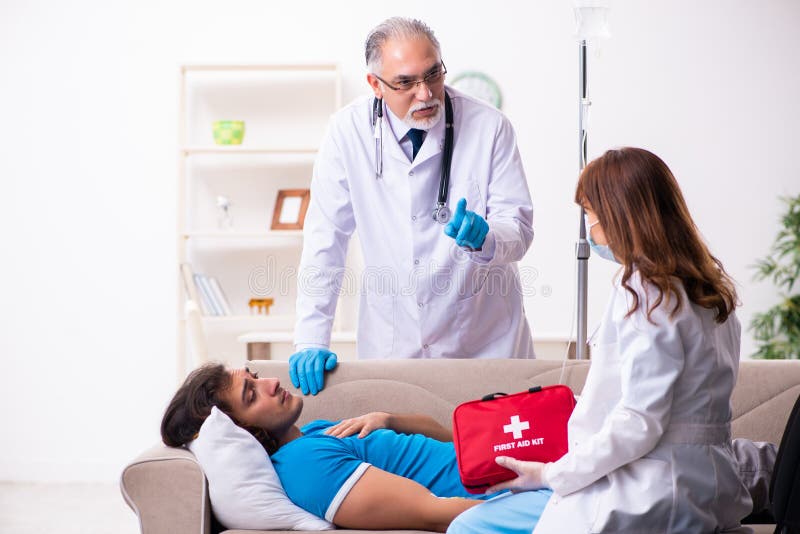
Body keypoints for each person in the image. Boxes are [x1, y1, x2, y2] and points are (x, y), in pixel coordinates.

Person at [447, 147, 766, 533]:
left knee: (469, 527)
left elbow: (639, 420)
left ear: (618, 216)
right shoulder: (709, 287)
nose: (590, 229)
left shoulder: (646, 288)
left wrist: (552, 474)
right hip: (709, 483)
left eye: (589, 215)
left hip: (653, 488)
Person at [289, 17, 535, 395]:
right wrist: (310, 338)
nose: (425, 93)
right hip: (394, 345)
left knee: (492, 452)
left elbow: (517, 229)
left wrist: (486, 238)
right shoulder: (346, 133)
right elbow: (326, 241)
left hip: (485, 345)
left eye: (433, 74)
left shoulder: (490, 127)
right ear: (375, 84)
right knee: (399, 450)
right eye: (406, 82)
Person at [161, 362, 494, 532]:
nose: (272, 382)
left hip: (501, 462)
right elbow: (433, 514)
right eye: (252, 394)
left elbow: (448, 437)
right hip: (504, 491)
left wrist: (387, 419)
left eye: (256, 376)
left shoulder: (314, 433)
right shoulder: (305, 465)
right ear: (244, 430)